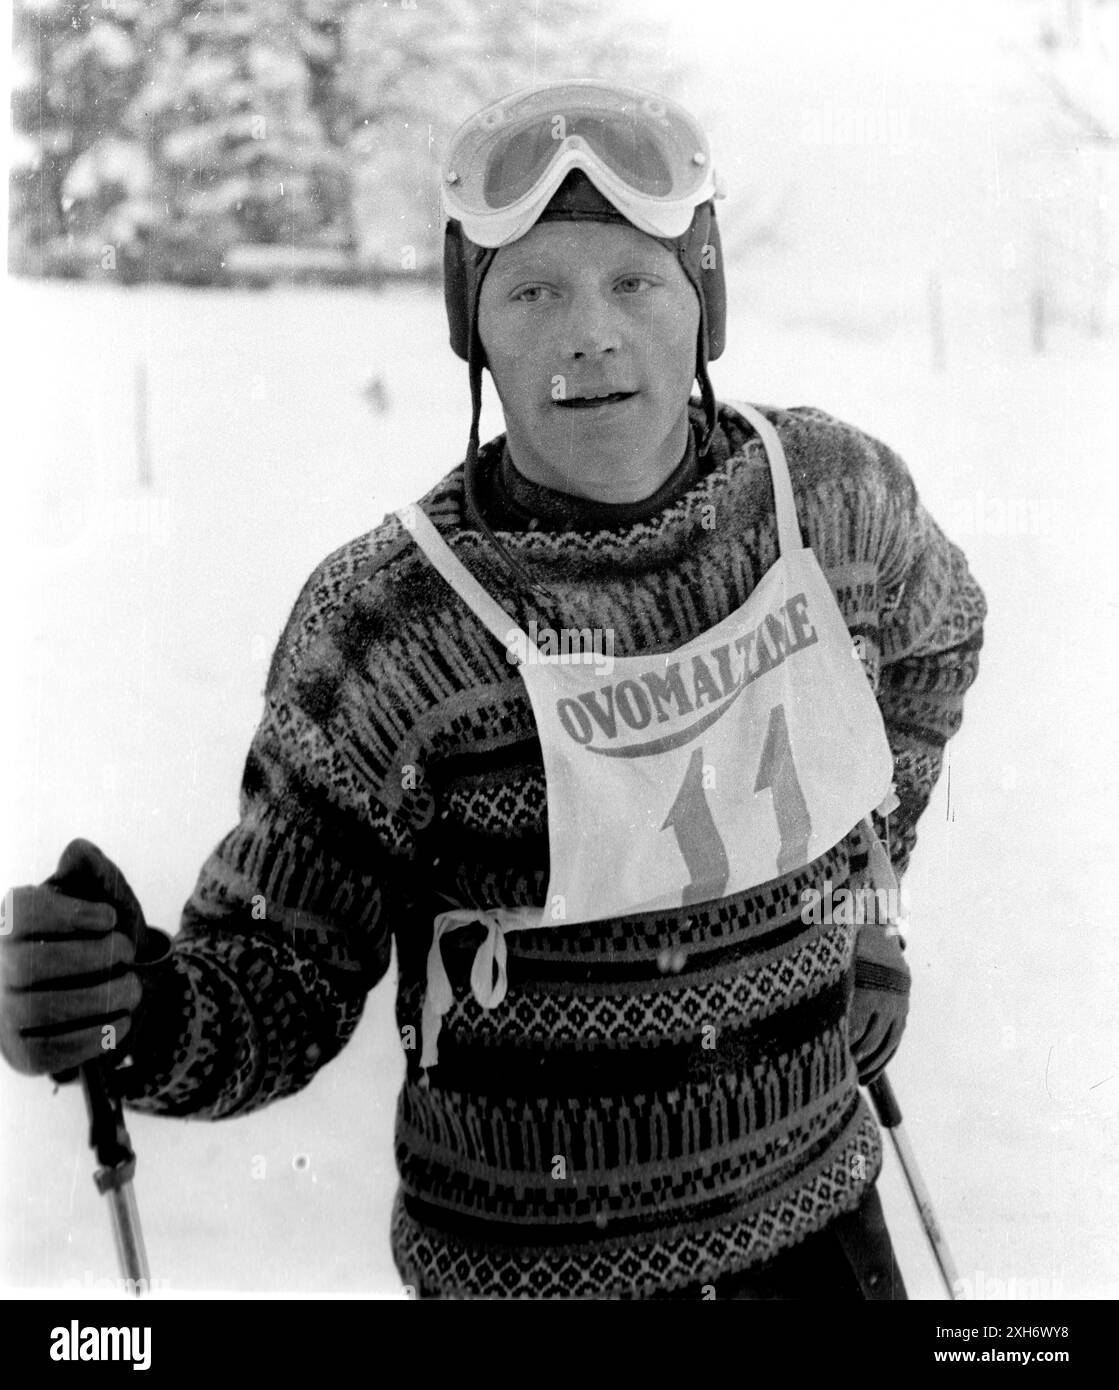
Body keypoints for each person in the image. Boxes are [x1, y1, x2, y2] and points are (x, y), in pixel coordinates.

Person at [0, 79, 986, 1300]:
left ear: (703, 305)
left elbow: (935, 647)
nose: (591, 333)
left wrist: (865, 913)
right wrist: (136, 1014)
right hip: (531, 1273)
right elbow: (282, 979)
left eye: (636, 281)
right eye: (533, 292)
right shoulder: (391, 630)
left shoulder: (831, 508)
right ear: (475, 331)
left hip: (823, 1230)